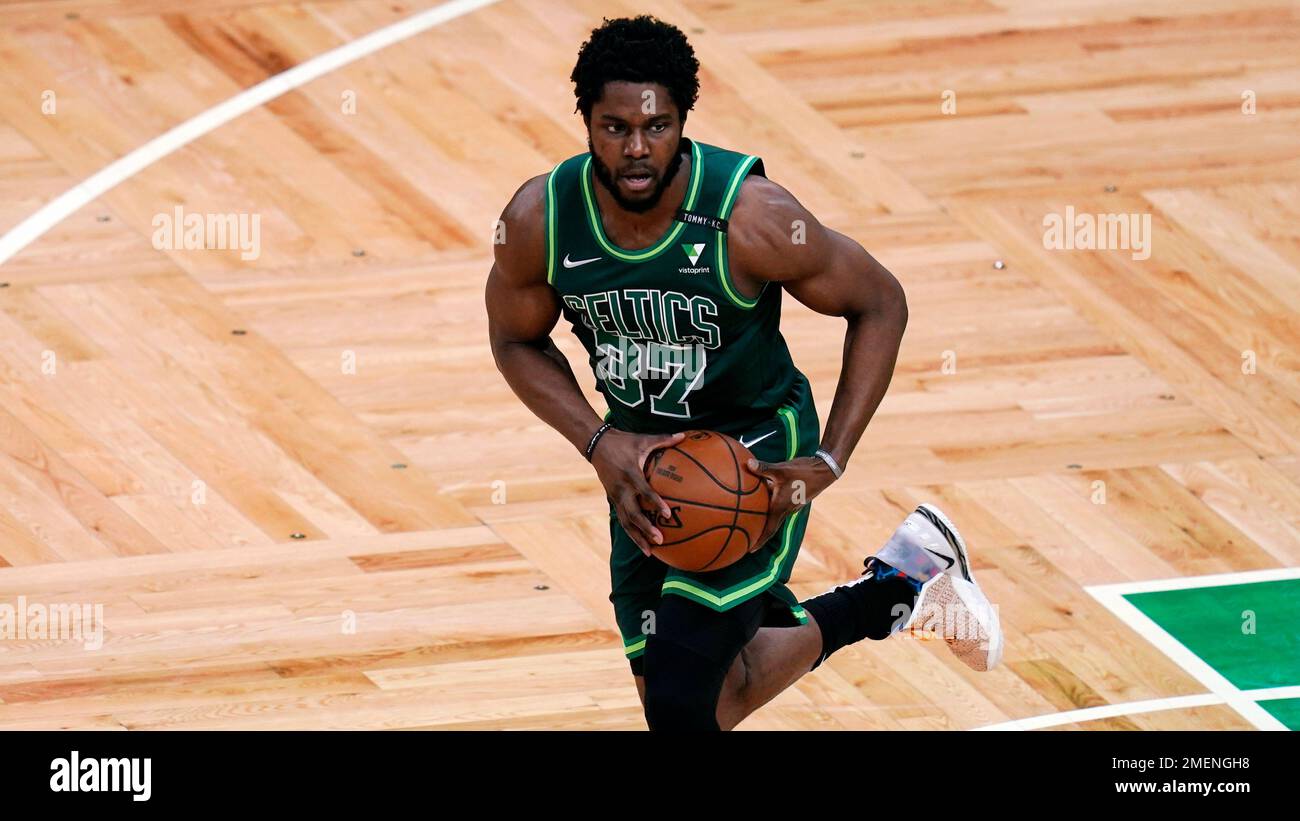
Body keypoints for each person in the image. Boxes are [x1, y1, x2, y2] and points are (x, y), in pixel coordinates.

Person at [486, 15, 1001, 731]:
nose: (636, 148)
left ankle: (900, 581)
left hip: (749, 459)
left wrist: (828, 456)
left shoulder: (752, 218)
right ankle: (904, 579)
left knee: (679, 707)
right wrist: (601, 444)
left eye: (657, 126)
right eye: (614, 127)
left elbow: (879, 303)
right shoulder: (543, 218)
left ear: (683, 122)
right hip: (640, 466)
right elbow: (515, 341)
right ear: (586, 122)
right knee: (719, 693)